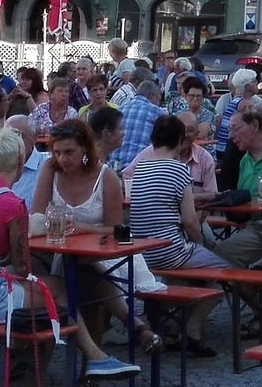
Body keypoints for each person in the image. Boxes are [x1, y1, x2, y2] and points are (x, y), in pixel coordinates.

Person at [0, 127, 141, 378]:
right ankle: (94, 357)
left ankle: (75, 359)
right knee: (57, 289)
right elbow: (22, 269)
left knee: (58, 286)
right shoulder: (12, 203)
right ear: (20, 162)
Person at [26, 118, 158, 353]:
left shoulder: (105, 176)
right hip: (67, 253)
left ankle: (96, 360)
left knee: (84, 273)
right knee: (79, 271)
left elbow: (117, 230)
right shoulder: (50, 169)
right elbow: (37, 217)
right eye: (57, 152)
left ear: (85, 149)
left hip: (107, 253)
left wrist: (84, 228)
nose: (62, 159)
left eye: (69, 152)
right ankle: (135, 327)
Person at [127, 114, 227, 357]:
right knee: (223, 276)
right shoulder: (178, 169)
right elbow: (191, 221)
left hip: (141, 251)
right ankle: (192, 330)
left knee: (190, 275)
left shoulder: (140, 168)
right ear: (181, 140)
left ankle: (169, 325)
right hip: (170, 250)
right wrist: (200, 244)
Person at [113, 71, 164, 170]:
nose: (159, 103)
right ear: (152, 97)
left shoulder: (119, 110)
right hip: (141, 169)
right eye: (159, 99)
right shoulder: (157, 112)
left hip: (115, 166)